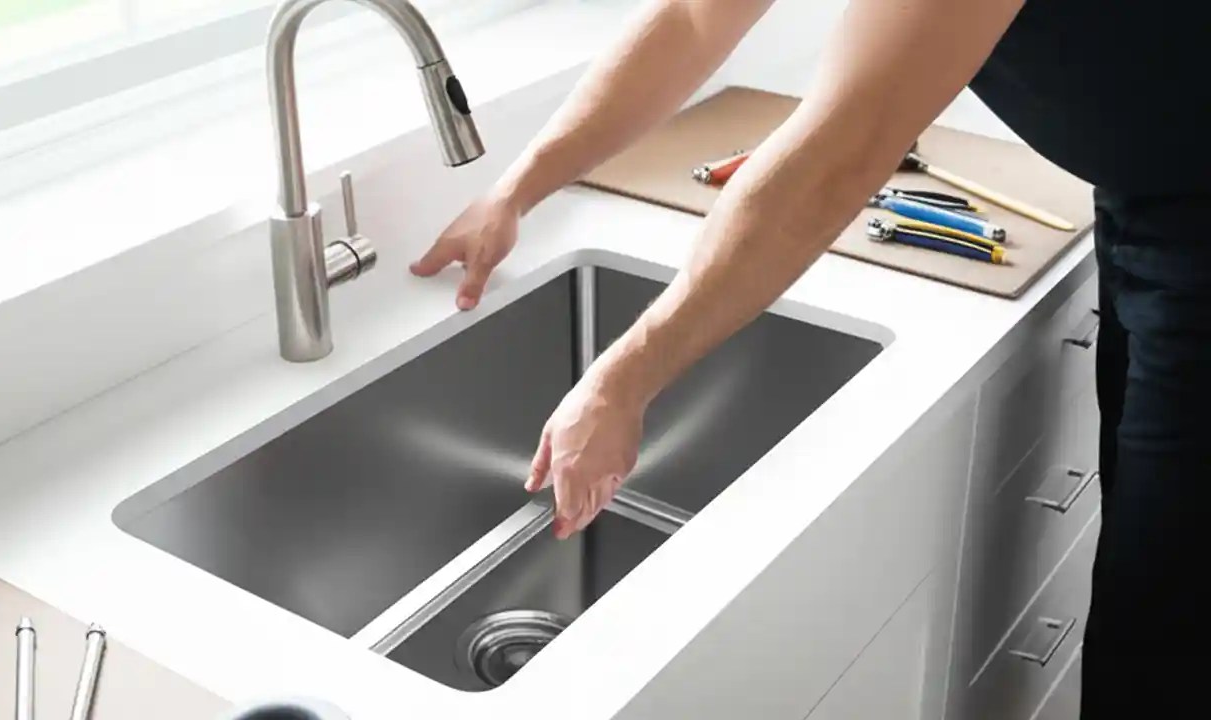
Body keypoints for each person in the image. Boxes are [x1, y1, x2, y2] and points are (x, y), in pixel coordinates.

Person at [409, 0, 1208, 714]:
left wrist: (623, 379)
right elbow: (692, 19)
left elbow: (837, 155)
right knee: (1155, 583)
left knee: (1163, 636)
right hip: (1152, 187)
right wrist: (516, 188)